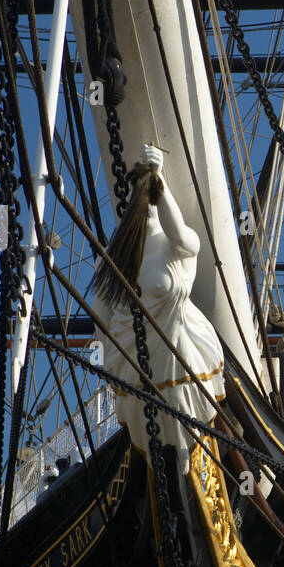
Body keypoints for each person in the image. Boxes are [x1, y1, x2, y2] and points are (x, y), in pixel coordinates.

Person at [91, 144, 225, 459]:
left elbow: (181, 236)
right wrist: (111, 360)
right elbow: (101, 314)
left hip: (183, 363)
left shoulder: (173, 247)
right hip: (137, 375)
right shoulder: (114, 258)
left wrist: (160, 183)